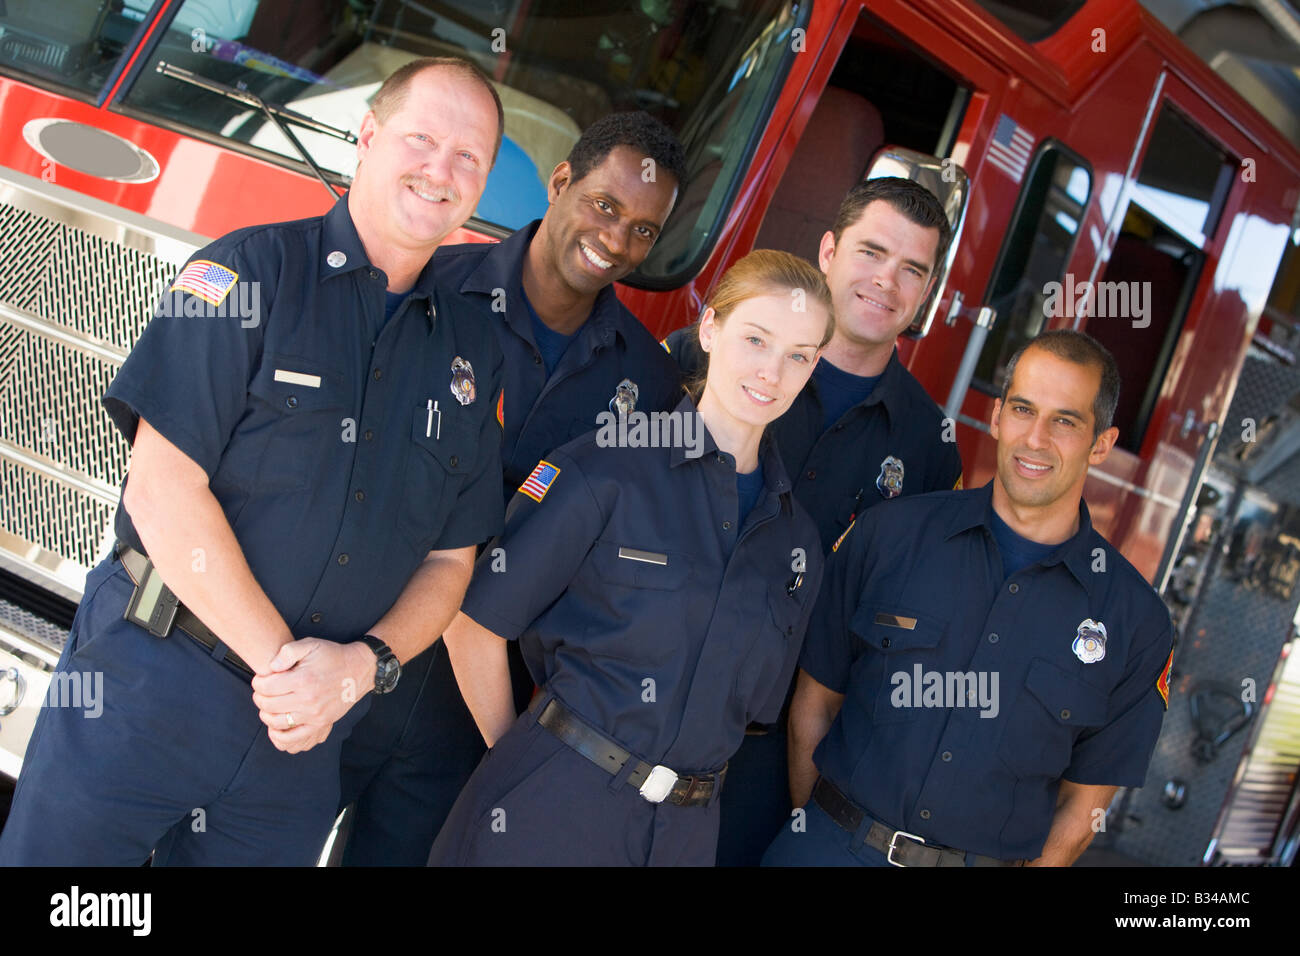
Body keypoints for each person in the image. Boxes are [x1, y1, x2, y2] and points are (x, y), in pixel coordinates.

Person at [0, 57, 506, 866]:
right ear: (368, 139)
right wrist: (288, 671)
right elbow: (163, 489)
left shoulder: (473, 356)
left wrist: (360, 668)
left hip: (304, 745)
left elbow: (451, 559)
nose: (439, 170)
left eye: (468, 158)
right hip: (153, 683)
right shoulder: (248, 273)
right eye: (421, 139)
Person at [337, 111, 686, 865]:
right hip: (348, 651)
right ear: (560, 181)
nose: (619, 240)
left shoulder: (650, 383)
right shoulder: (433, 289)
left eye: (645, 231)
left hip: (474, 704)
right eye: (605, 205)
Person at [427, 250, 832, 866]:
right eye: (756, 339)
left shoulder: (797, 544)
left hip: (684, 837)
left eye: (798, 356)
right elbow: (473, 622)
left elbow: (749, 717)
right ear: (712, 327)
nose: (771, 372)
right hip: (551, 805)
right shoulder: (605, 468)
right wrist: (528, 757)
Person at [764, 329, 1174, 867]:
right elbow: (814, 705)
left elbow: (1082, 808)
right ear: (999, 416)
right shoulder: (888, 536)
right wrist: (823, 834)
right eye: (1024, 410)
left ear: (1101, 443)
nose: (1035, 437)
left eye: (1065, 421)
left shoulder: (1135, 622)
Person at [662, 176, 963, 865]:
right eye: (871, 252)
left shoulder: (929, 446)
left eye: (912, 270)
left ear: (927, 293)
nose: (887, 281)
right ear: (828, 250)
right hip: (641, 700)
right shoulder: (707, 355)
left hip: (771, 745)